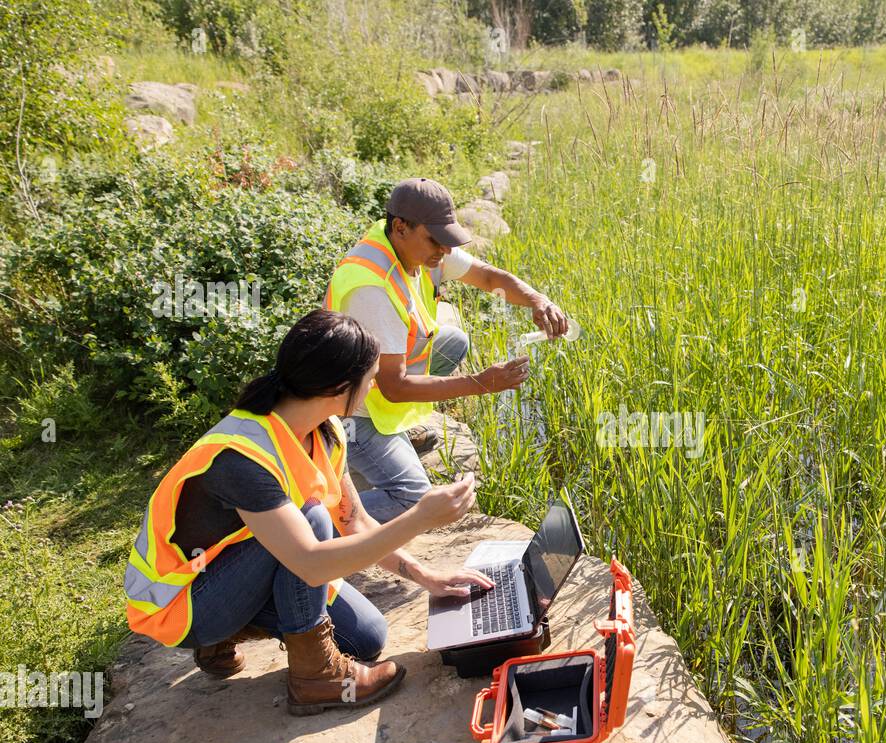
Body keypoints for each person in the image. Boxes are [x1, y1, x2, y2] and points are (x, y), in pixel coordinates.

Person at [123, 309, 494, 715]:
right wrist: (419, 518)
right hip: (185, 603)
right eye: (369, 379)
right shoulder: (241, 458)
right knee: (313, 518)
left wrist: (427, 575)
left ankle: (242, 630)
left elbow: (353, 520)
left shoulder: (326, 430)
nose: (373, 389)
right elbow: (311, 564)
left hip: (243, 566)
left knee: (366, 639)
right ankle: (314, 677)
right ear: (338, 386)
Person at [324, 177, 569, 522]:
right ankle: (314, 522)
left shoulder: (415, 246)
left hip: (380, 384)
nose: (443, 251)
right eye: (435, 240)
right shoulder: (372, 289)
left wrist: (536, 300)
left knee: (454, 342)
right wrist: (480, 383)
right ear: (400, 227)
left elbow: (487, 278)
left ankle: (400, 435)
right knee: (414, 503)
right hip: (354, 411)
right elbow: (393, 389)